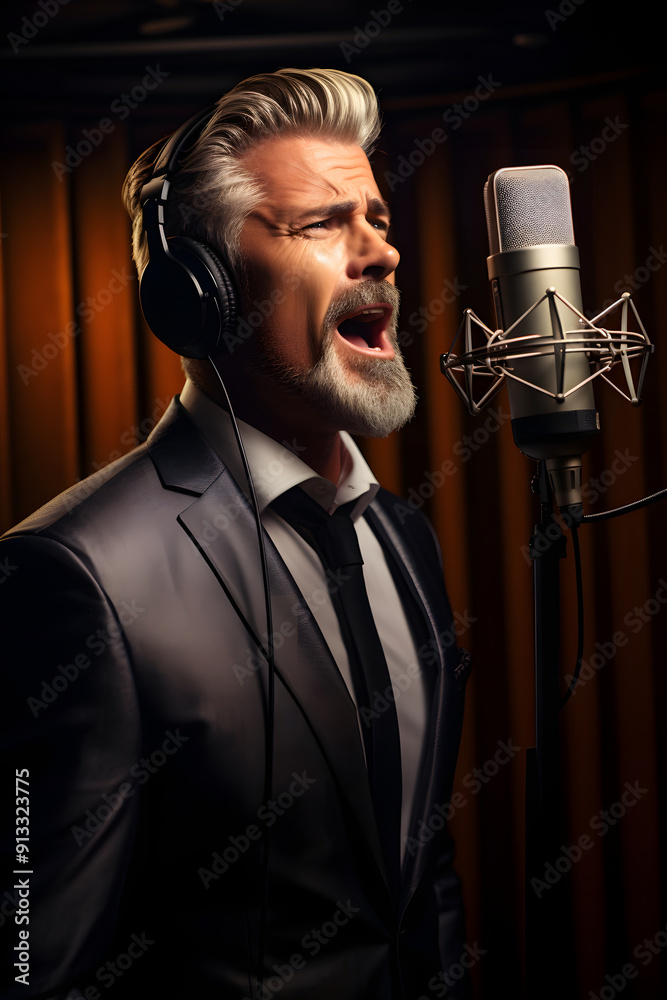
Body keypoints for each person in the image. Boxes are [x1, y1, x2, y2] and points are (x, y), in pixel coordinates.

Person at [0, 68, 471, 999]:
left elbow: (417, 878)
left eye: (375, 218)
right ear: (198, 293)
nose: (379, 253)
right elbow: (30, 960)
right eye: (323, 224)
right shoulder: (76, 575)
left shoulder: (403, 542)